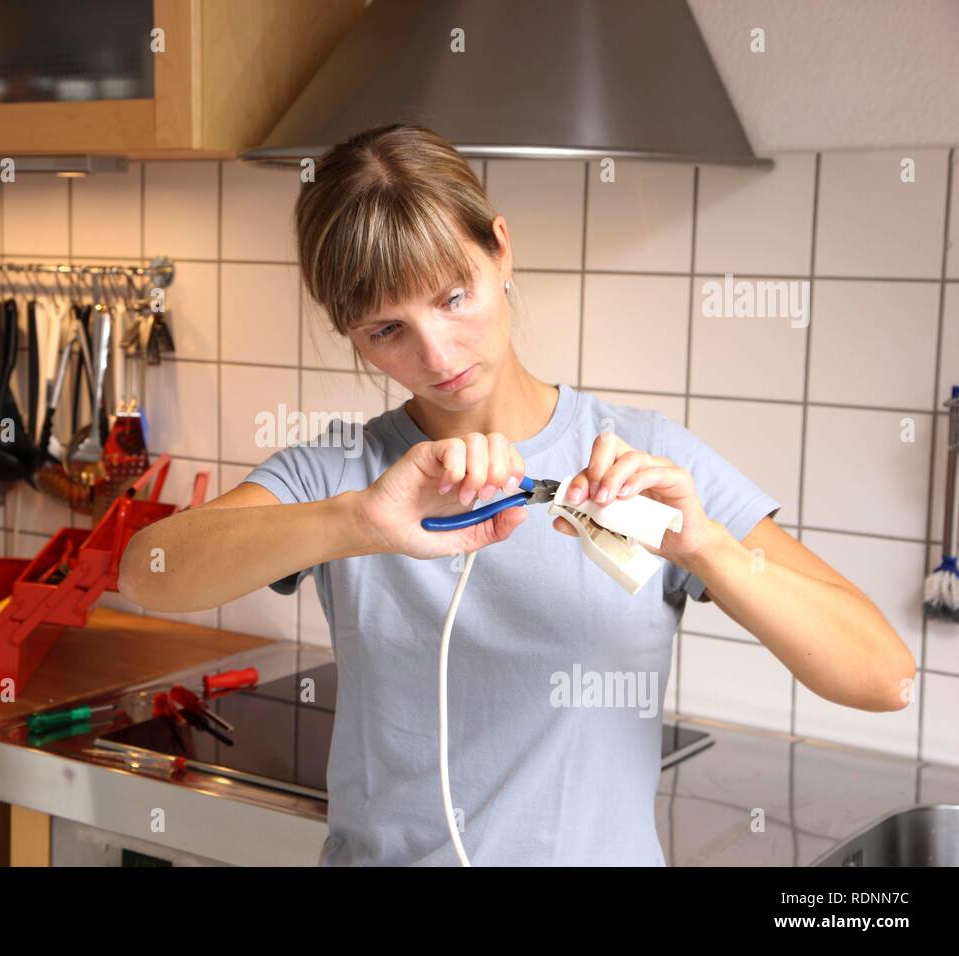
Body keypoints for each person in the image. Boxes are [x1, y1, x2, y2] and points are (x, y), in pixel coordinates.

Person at [118, 123, 916, 866]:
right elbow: (146, 571)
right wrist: (359, 520)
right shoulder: (340, 471)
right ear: (350, 333)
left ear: (499, 250)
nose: (438, 353)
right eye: (385, 331)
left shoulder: (649, 458)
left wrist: (708, 546)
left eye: (453, 295)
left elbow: (884, 678)